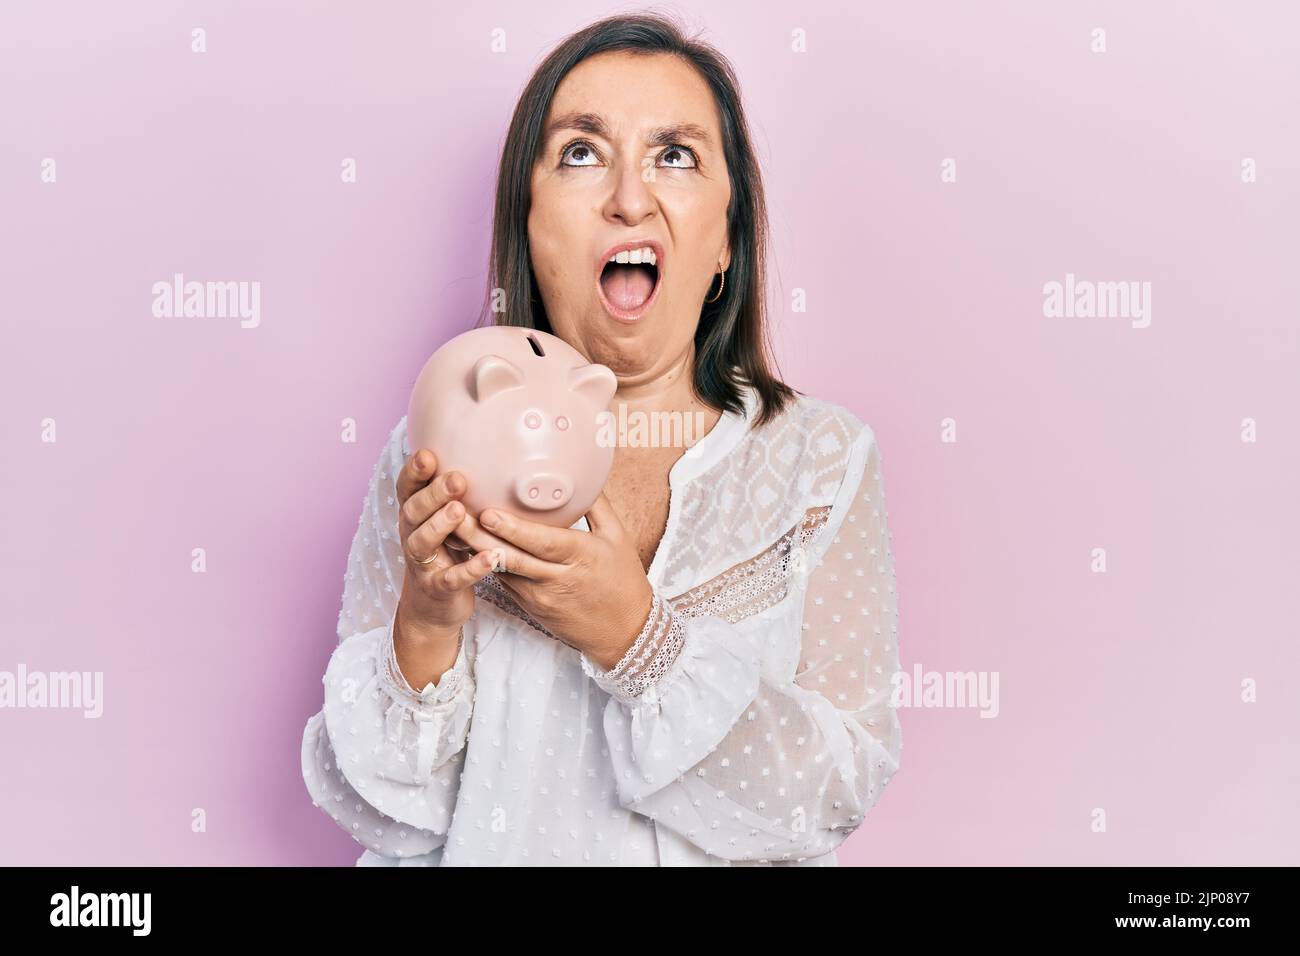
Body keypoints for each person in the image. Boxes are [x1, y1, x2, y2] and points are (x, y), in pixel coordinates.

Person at [301, 12, 902, 866]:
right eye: (581, 152)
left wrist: (636, 636)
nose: (628, 195)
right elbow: (382, 810)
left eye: (676, 154)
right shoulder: (433, 443)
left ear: (725, 237)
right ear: (531, 222)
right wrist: (427, 623)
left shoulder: (822, 462)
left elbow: (831, 795)